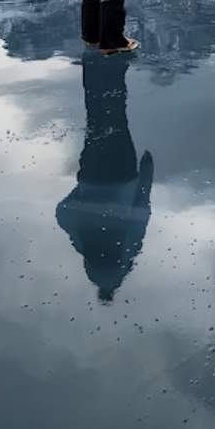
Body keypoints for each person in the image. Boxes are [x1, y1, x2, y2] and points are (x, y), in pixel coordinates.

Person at [56, 54, 154, 302]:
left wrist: (147, 170)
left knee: (117, 117)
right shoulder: (82, 241)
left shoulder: (128, 244)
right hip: (92, 174)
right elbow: (62, 212)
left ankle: (112, 69)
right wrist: (81, 191)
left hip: (124, 174)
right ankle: (95, 68)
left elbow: (142, 206)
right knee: (97, 119)